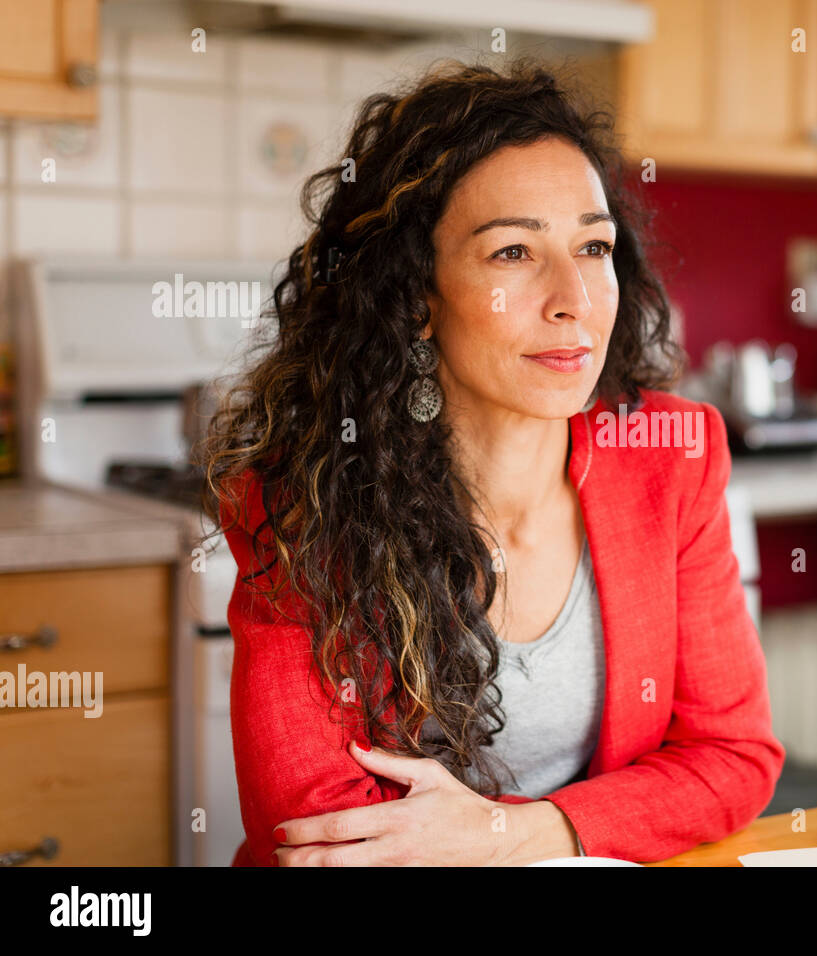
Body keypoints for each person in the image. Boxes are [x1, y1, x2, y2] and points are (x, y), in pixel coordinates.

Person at [199, 59, 784, 866]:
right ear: (415, 298)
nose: (573, 297)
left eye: (593, 246)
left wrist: (518, 834)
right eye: (513, 252)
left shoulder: (670, 459)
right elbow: (320, 839)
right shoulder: (303, 497)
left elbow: (733, 758)